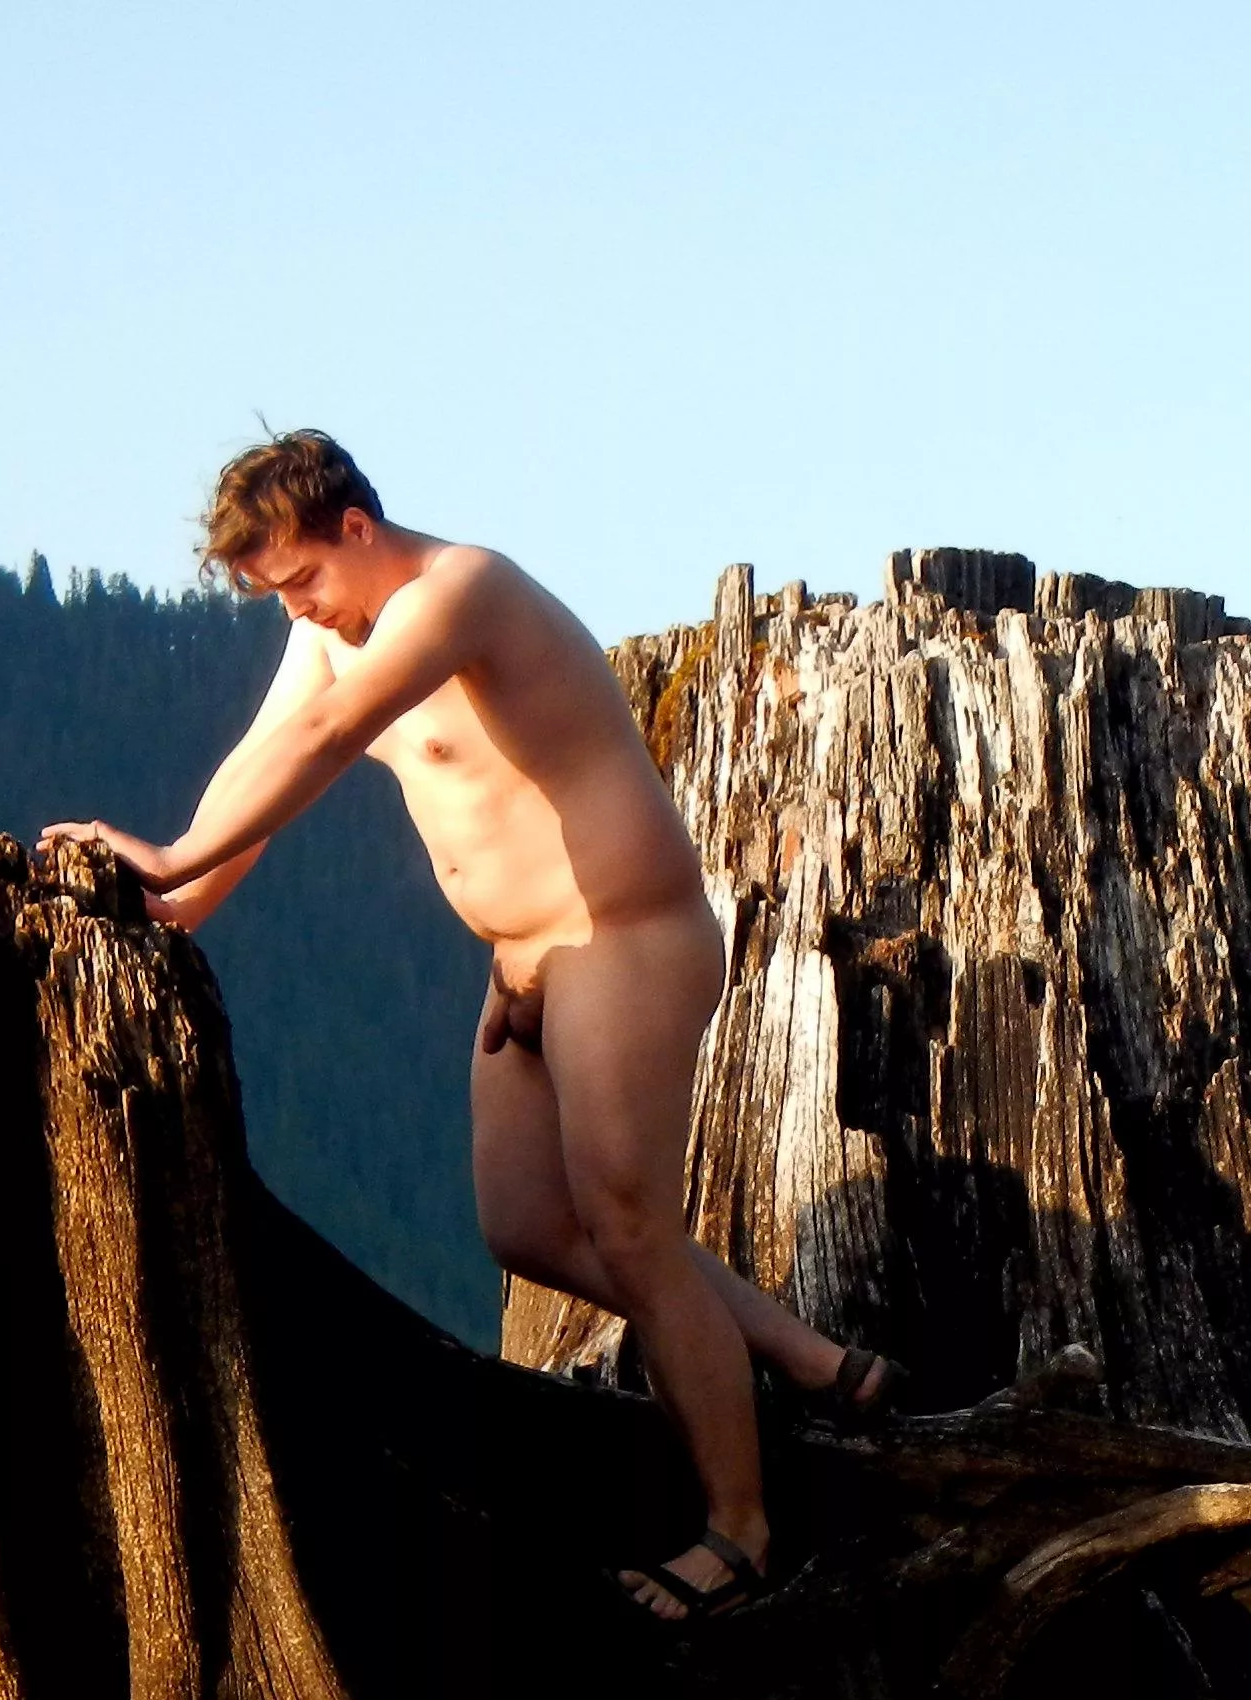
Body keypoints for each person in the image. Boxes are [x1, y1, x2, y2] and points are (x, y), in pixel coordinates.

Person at [50, 431, 890, 1620]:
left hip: (623, 942)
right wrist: (179, 892)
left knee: (630, 1225)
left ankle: (741, 1531)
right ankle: (809, 1361)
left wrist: (179, 854)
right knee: (528, 1226)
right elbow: (272, 759)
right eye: (276, 596)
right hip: (522, 965)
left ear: (355, 526)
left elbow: (331, 738)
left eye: (302, 580)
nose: (300, 610)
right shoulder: (330, 632)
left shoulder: (462, 590)